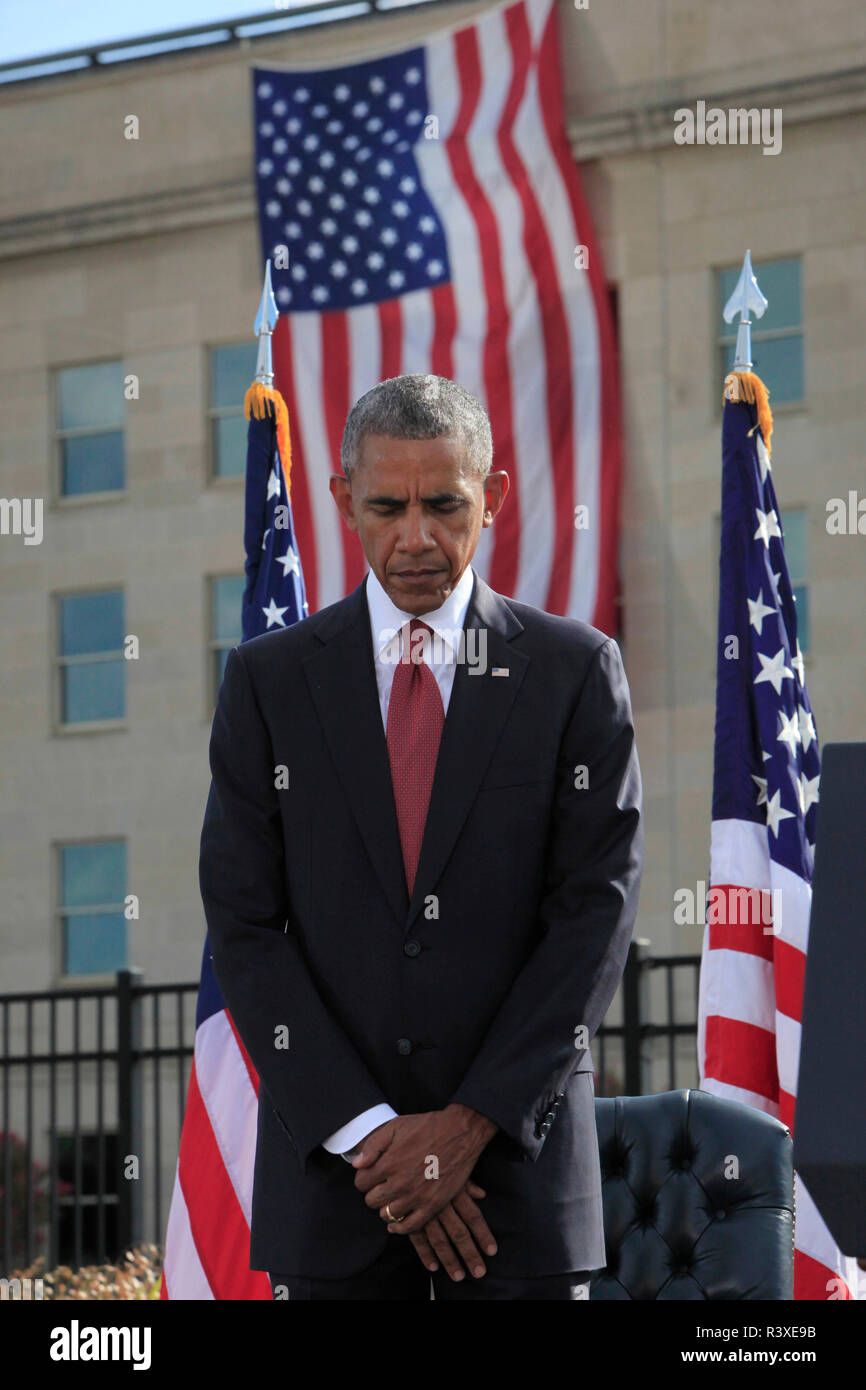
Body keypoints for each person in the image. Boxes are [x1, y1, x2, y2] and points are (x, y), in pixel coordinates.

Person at [199, 373, 643, 1300]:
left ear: (495, 496)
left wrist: (468, 1125)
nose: (414, 538)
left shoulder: (573, 672)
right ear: (341, 501)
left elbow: (593, 917)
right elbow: (244, 923)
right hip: (335, 1197)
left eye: (444, 505)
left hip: (516, 1197)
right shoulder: (267, 685)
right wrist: (374, 1140)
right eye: (386, 506)